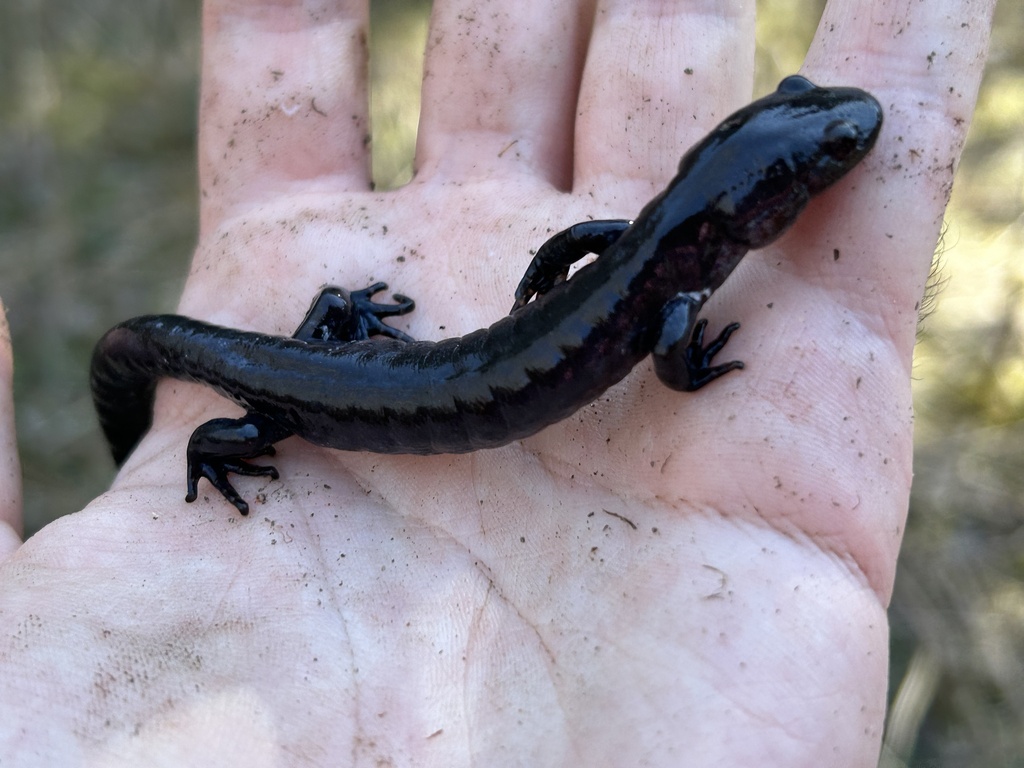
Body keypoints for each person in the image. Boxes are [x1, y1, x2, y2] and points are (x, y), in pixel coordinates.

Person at [0, 0, 995, 763]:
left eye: (813, 147)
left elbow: (579, 246)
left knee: (315, 354)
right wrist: (671, 357)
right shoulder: (673, 290)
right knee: (238, 431)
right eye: (816, 150)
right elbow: (676, 367)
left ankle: (336, 322)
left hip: (333, 369)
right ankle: (226, 427)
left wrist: (535, 289)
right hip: (300, 399)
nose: (838, 148)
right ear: (744, 205)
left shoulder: (650, 250)